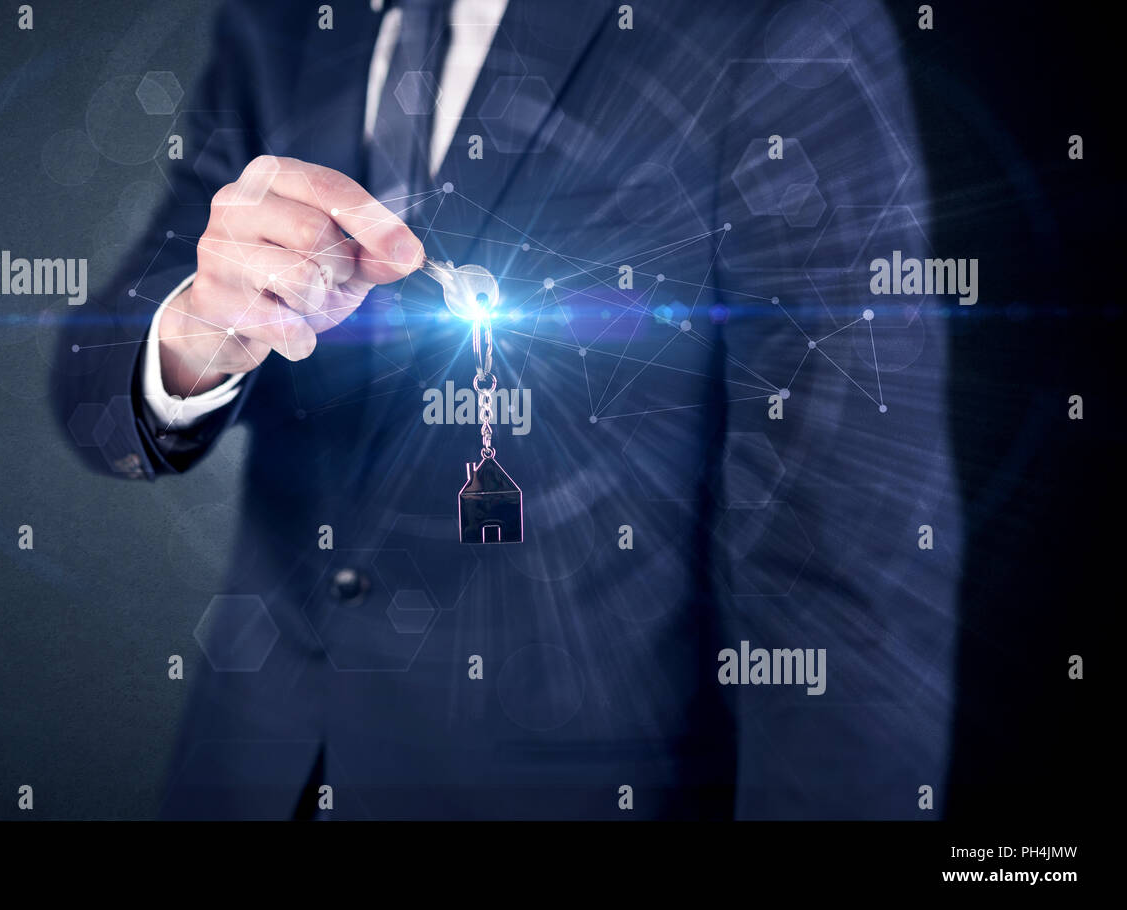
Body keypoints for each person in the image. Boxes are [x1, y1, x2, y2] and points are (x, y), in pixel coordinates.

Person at [55, 0, 961, 819]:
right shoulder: (281, 20)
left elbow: (845, 558)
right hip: (257, 771)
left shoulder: (776, 28)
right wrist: (198, 330)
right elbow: (91, 387)